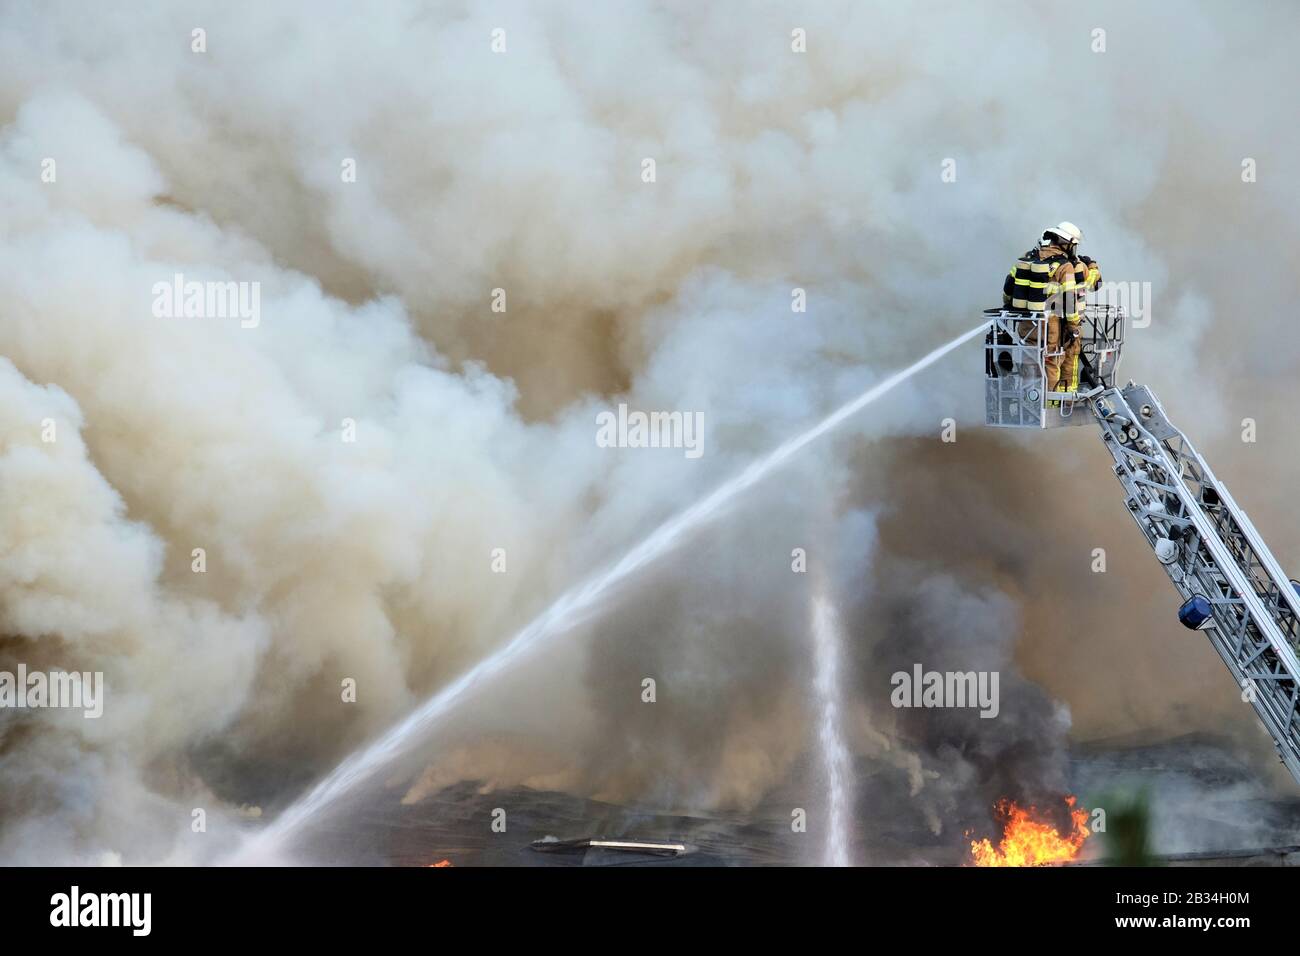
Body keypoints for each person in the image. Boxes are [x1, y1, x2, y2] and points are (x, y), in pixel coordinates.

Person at [1002, 222, 1101, 400]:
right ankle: (1054, 404)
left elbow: (1008, 288)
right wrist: (1073, 326)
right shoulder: (1066, 266)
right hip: (1052, 325)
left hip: (1027, 324)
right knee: (1051, 361)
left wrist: (1010, 308)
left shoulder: (1026, 259)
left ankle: (1029, 401)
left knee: (1030, 359)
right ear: (1065, 243)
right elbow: (1070, 300)